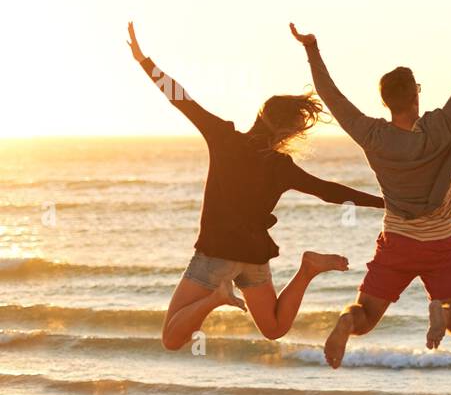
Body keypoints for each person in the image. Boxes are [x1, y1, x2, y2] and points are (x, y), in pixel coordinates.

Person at [126, 22, 384, 351]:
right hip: (253, 255)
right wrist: (385, 202)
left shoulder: (223, 137)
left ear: (261, 116)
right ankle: (307, 270)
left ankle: (217, 298)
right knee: (274, 328)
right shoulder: (281, 167)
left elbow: (181, 98)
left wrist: (143, 61)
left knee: (172, 339)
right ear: (288, 132)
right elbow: (330, 191)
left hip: (216, 254)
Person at [289, 20, 451, 367]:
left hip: (398, 242)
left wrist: (311, 49)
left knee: (365, 318)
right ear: (416, 94)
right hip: (442, 243)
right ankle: (442, 310)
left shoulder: (371, 135)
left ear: (385, 102)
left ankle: (344, 323)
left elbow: (332, 96)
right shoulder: (441, 126)